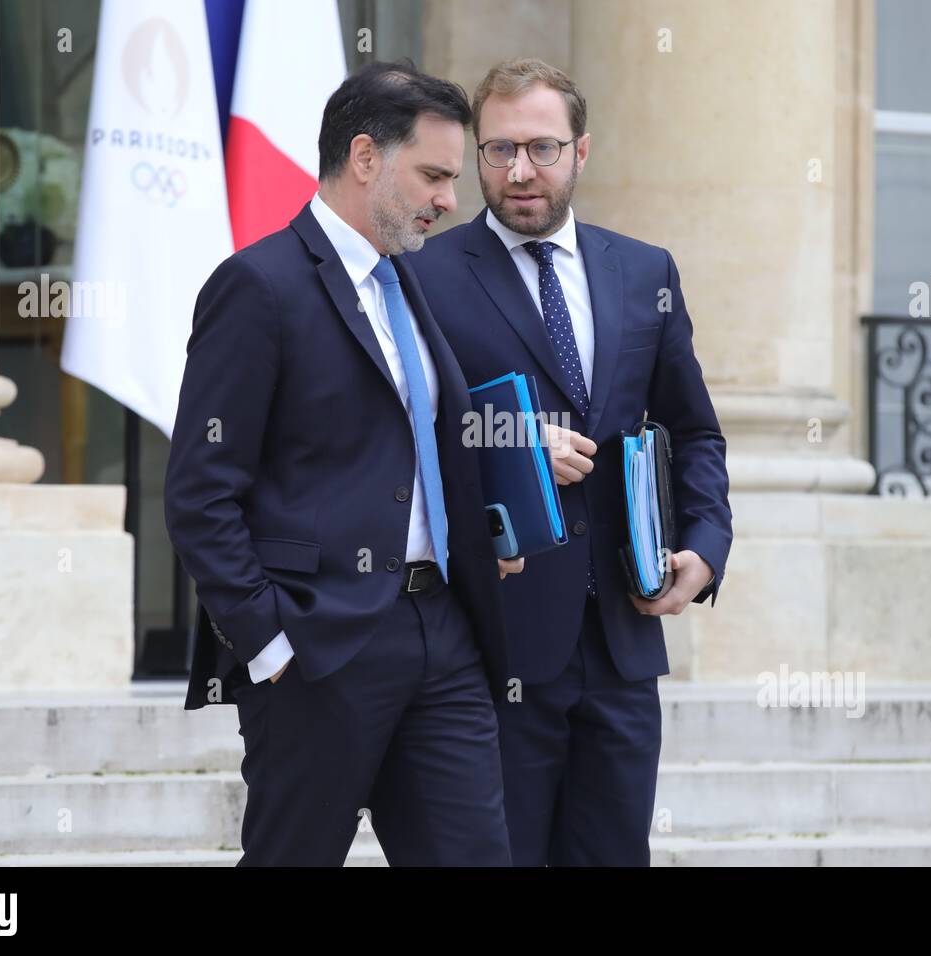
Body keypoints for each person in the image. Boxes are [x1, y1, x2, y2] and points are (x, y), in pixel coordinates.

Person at [164, 61, 522, 866]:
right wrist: (269, 645)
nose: (448, 200)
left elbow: (416, 441)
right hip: (318, 646)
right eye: (433, 175)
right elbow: (200, 492)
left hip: (443, 635)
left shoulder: (410, 284)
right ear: (366, 157)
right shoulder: (257, 286)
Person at [409, 57, 733, 866]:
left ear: (581, 152)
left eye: (542, 149)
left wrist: (706, 546)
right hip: (496, 643)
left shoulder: (645, 272)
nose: (519, 171)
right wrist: (509, 447)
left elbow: (695, 431)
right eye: (498, 150)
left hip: (624, 637)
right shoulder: (422, 276)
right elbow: (403, 440)